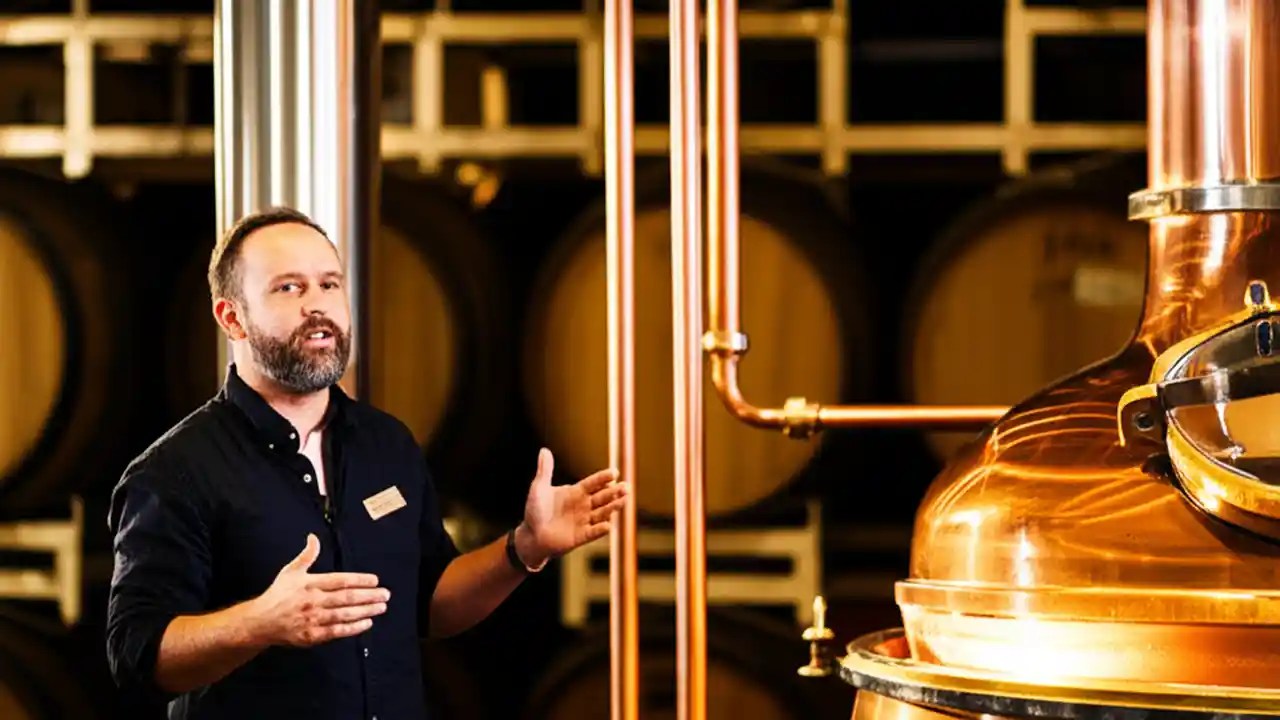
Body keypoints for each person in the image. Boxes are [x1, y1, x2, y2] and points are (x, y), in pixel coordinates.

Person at [105, 206, 628, 719]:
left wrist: (524, 549)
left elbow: (428, 604)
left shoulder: (385, 443)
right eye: (288, 288)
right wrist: (261, 622)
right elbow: (136, 656)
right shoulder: (175, 472)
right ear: (232, 317)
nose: (318, 305)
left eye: (329, 284)